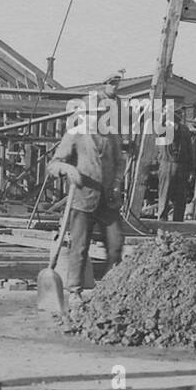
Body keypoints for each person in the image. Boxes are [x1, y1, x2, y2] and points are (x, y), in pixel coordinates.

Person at [47, 108, 125, 297]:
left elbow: (120, 162)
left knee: (116, 245)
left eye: (99, 115)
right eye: (91, 114)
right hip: (83, 198)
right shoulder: (74, 135)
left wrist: (116, 182)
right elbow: (53, 164)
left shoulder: (111, 135)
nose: (95, 119)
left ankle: (109, 290)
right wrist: (67, 168)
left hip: (108, 200)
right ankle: (74, 290)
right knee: (80, 247)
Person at [157, 106, 194, 221]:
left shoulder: (185, 130)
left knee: (180, 198)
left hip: (182, 166)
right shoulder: (164, 128)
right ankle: (162, 223)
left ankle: (178, 224)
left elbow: (190, 150)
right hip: (167, 164)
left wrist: (191, 170)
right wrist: (163, 115)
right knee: (165, 196)